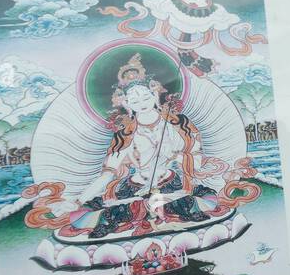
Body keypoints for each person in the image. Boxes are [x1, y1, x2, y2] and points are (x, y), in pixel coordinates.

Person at [40, 54, 239, 240]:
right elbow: (108, 174)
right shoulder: (126, 133)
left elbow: (193, 161)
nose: (141, 103)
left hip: (171, 185)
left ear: (154, 95)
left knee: (191, 204)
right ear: (127, 104)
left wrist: (175, 157)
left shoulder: (174, 124)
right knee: (113, 213)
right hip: (132, 189)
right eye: (134, 100)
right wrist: (77, 200)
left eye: (145, 97)